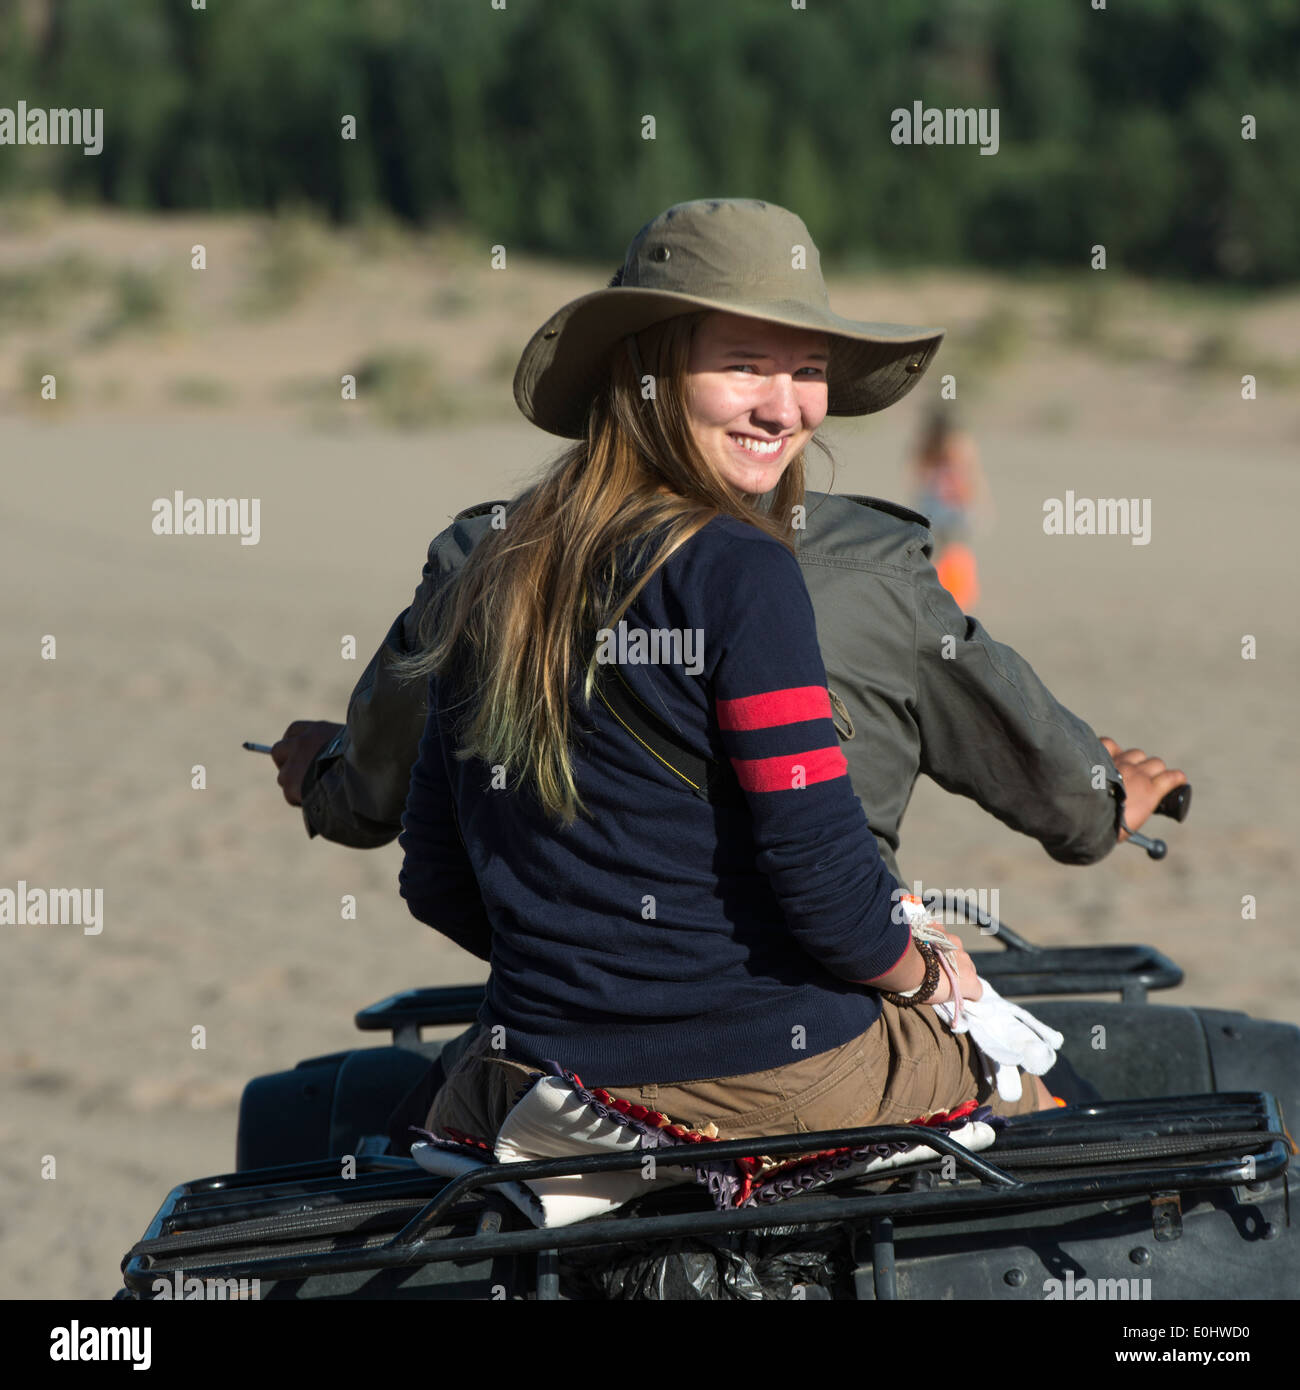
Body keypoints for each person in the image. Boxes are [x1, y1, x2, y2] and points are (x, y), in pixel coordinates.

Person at [269, 201, 1185, 1130]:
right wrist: (934, 972)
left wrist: (594, 971)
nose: (784, 405)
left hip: (530, 1078)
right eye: (743, 364)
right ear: (650, 373)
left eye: (808, 371)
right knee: (1043, 1102)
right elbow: (830, 889)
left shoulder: (488, 562)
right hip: (769, 1059)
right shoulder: (753, 568)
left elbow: (432, 877)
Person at [907, 406, 990, 611]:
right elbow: (971, 477)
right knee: (953, 551)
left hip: (940, 503)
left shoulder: (933, 443)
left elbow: (920, 474)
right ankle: (954, 594)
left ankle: (948, 593)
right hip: (949, 504)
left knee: (944, 551)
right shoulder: (957, 443)